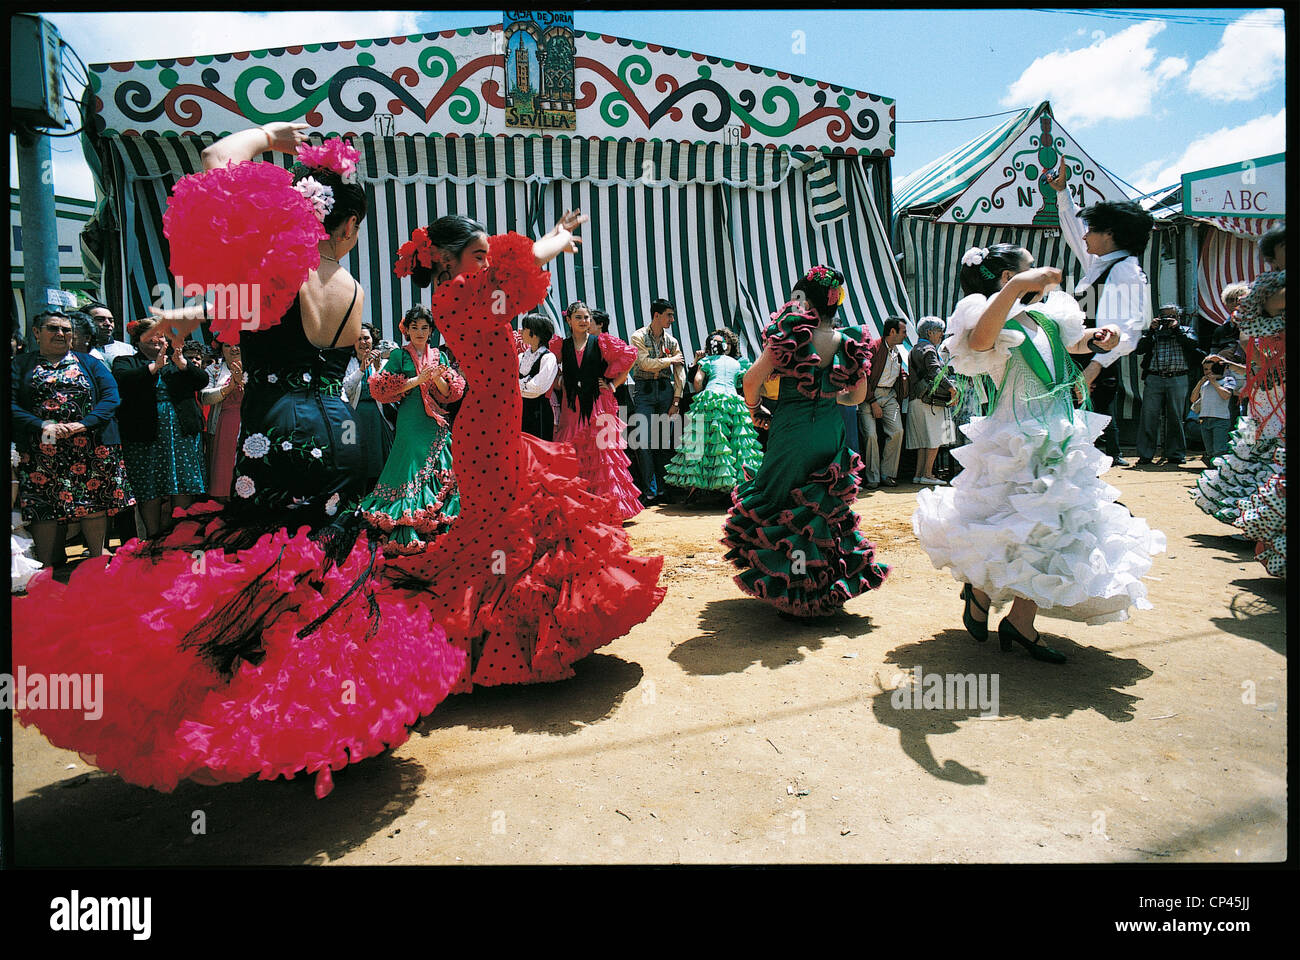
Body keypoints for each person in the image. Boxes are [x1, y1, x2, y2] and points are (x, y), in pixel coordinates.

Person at [14, 126, 466, 800]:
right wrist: (191, 316)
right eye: (355, 228)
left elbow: (217, 163)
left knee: (259, 555)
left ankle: (251, 703)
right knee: (326, 557)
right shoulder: (352, 289)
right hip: (338, 432)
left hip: (274, 430)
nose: (353, 239)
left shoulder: (266, 274)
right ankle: (332, 711)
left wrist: (271, 135)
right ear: (343, 227)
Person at [387, 211, 665, 686]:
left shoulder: (466, 289)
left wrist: (550, 241)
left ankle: (515, 633)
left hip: (495, 424)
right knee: (503, 530)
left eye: (487, 255)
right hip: (486, 429)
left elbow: (508, 272)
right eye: (477, 255)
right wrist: (550, 245)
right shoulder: (456, 293)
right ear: (448, 261)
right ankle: (493, 639)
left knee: (512, 524)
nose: (486, 262)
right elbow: (512, 271)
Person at [913, 245, 1165, 663]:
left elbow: (1074, 344)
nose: (1046, 278)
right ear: (1007, 277)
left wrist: (1100, 338)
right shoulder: (985, 314)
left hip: (1059, 434)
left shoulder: (1049, 316)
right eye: (1033, 272)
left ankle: (1021, 619)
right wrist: (1015, 289)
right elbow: (980, 341)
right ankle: (979, 590)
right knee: (1010, 525)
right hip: (1012, 440)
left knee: (1056, 529)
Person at [723, 264, 888, 618]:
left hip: (791, 430)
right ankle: (818, 588)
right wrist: (829, 397)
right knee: (822, 509)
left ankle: (792, 590)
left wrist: (755, 410)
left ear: (805, 301)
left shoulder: (790, 335)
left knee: (784, 501)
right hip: (830, 430)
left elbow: (751, 382)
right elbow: (857, 397)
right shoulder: (848, 341)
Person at [1046, 161, 1154, 467]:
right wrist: (1062, 193)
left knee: (1082, 443)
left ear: (1109, 234)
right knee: (1071, 441)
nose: (1085, 236)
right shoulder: (1102, 264)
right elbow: (1074, 229)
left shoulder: (1125, 270)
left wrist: (1093, 369)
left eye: (1092, 230)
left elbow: (1127, 331)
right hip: (1081, 366)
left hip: (1093, 370)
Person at [11, 310, 135, 568]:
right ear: (36, 333)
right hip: (41, 447)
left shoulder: (90, 363)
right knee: (43, 506)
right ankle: (46, 567)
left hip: (90, 445)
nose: (60, 334)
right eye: (53, 328)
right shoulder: (20, 365)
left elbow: (111, 398)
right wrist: (43, 424)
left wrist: (82, 424)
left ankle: (96, 561)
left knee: (93, 505)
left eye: (66, 330)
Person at [355, 303, 463, 555]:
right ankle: (406, 525)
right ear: (407, 330)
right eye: (415, 327)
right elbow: (381, 390)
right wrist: (418, 380)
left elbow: (449, 394)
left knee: (442, 464)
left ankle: (436, 523)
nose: (420, 332)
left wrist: (435, 377)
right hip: (410, 419)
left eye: (424, 328)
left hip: (434, 421)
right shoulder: (398, 356)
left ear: (431, 331)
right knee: (409, 466)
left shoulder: (440, 356)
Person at [111, 318, 208, 538]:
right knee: (149, 485)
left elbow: (201, 380)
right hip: (144, 433)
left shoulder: (178, 362)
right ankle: (153, 537)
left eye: (162, 335)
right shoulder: (125, 361)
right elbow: (124, 381)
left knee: (183, 483)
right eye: (152, 335)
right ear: (138, 340)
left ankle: (181, 535)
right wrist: (154, 367)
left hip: (181, 433)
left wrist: (183, 363)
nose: (158, 339)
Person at [550, 300, 642, 521]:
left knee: (603, 456)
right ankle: (578, 507)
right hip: (572, 408)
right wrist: (559, 381)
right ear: (569, 320)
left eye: (587, 317)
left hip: (599, 405)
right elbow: (548, 367)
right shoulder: (561, 346)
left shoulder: (601, 342)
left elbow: (630, 356)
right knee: (574, 454)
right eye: (579, 317)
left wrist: (613, 384)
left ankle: (608, 508)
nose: (585, 321)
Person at [664, 326, 762, 498]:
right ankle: (736, 487)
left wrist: (704, 391)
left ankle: (698, 485)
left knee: (701, 441)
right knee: (734, 443)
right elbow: (745, 382)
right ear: (725, 347)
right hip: (732, 400)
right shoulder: (737, 363)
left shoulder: (708, 361)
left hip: (709, 398)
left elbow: (697, 382)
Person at [629, 298, 686, 505]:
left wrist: (677, 401)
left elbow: (680, 374)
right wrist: (669, 360)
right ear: (656, 315)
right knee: (642, 440)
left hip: (664, 392)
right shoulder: (638, 336)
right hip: (644, 390)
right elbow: (643, 364)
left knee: (663, 441)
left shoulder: (672, 341)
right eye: (669, 315)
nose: (672, 319)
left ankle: (661, 490)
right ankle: (651, 489)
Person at [1133, 303, 1203, 466]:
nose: (1166, 320)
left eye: (1170, 316)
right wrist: (1151, 331)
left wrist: (1176, 329)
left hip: (1178, 377)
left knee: (1176, 417)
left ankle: (1176, 454)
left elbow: (1193, 345)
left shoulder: (1185, 330)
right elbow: (1139, 349)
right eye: (1163, 316)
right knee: (1148, 416)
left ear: (1178, 317)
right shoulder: (1152, 333)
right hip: (1154, 377)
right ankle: (1145, 454)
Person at [342, 321, 396, 489]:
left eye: (366, 338)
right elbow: (345, 390)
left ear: (373, 340)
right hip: (354, 418)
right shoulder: (348, 364)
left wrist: (378, 369)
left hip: (379, 418)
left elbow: (390, 392)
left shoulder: (384, 363)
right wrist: (361, 371)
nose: (363, 342)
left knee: (380, 460)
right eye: (358, 339)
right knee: (355, 459)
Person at [905, 317, 958, 485]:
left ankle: (919, 474)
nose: (942, 334)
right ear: (930, 332)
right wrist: (951, 388)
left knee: (923, 441)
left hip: (916, 399)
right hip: (930, 402)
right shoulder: (929, 349)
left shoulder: (915, 348)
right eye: (939, 331)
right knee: (934, 438)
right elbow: (935, 371)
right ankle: (928, 474)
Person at [858, 316, 908, 488]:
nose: (906, 335)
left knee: (897, 431)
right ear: (892, 332)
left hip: (889, 396)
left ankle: (888, 474)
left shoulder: (897, 352)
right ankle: (873, 478)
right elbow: (864, 376)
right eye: (904, 332)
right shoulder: (874, 347)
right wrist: (872, 401)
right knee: (870, 435)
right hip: (868, 395)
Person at [199, 340, 245, 499]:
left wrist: (242, 383)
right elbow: (204, 397)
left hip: (248, 426)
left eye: (237, 344)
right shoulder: (215, 369)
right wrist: (228, 389)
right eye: (227, 345)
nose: (233, 348)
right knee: (223, 473)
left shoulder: (254, 367)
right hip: (222, 427)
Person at [518, 312, 558, 441]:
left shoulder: (548, 358)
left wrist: (518, 386)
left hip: (538, 412)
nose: (521, 332)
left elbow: (537, 387)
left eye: (525, 329)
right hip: (520, 410)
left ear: (535, 333)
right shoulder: (522, 357)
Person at [1190, 356, 1238, 465]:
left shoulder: (1227, 380)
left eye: (1211, 369)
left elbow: (1226, 395)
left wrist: (1214, 382)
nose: (1208, 372)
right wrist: (1200, 383)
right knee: (1210, 451)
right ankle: (1211, 471)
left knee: (1219, 450)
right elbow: (1193, 399)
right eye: (1206, 369)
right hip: (1205, 419)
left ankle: (1220, 472)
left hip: (1220, 420)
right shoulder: (1204, 384)